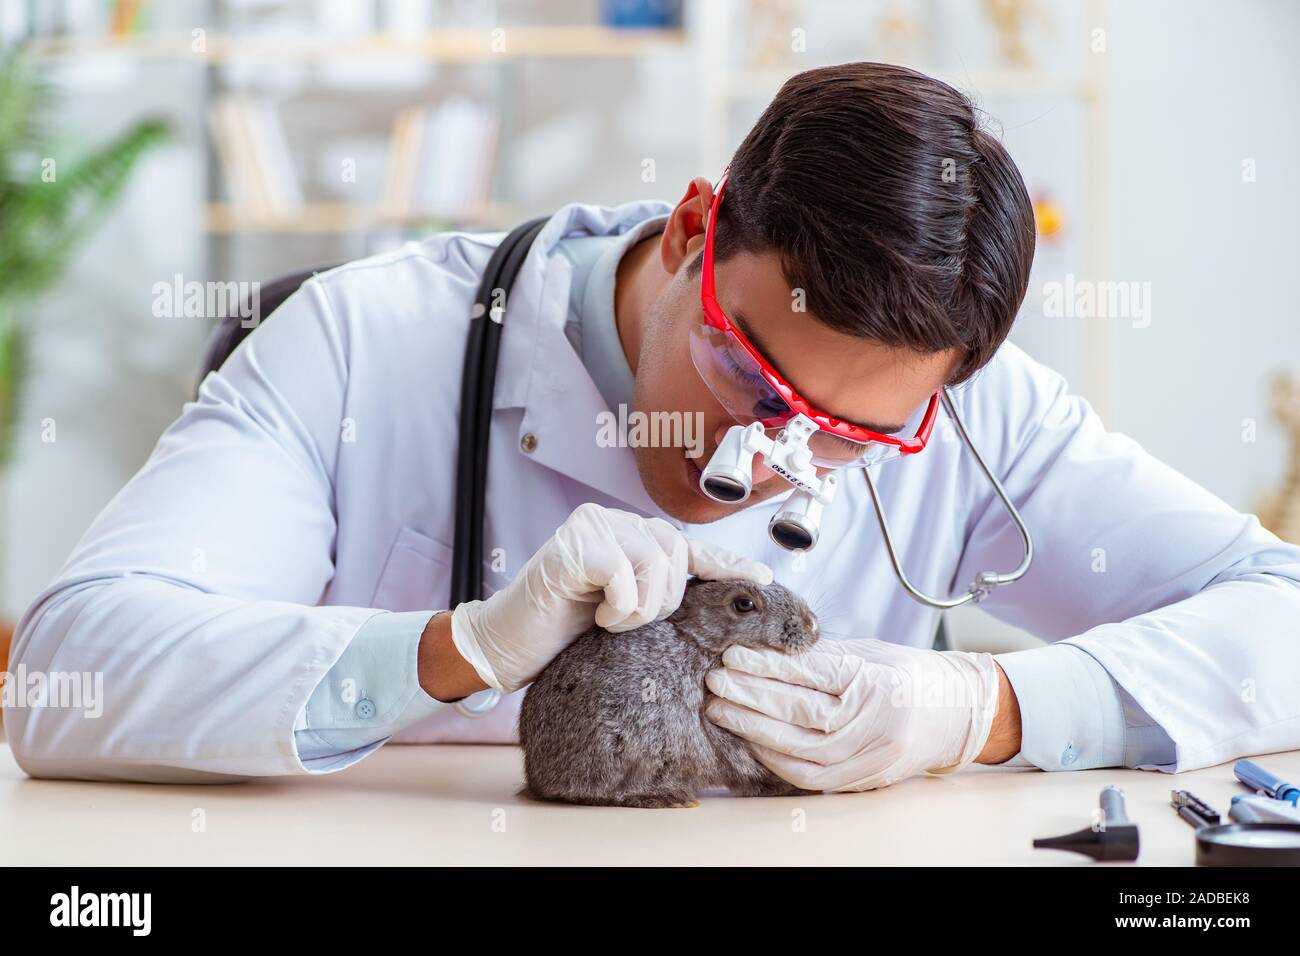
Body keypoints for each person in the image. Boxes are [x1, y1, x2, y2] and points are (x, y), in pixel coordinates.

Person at [9, 63, 1300, 788]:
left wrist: (991, 705)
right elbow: (66, 675)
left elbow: (1283, 613)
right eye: (754, 387)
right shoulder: (366, 345)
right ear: (694, 229)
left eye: (850, 439)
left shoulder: (973, 417)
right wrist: (449, 650)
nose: (764, 468)